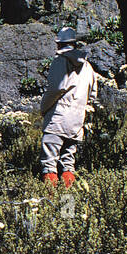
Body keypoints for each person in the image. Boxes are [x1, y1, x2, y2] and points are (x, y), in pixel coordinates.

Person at [39, 27, 99, 189]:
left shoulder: (60, 61)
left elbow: (55, 89)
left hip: (57, 119)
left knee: (49, 163)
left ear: (59, 44)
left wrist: (44, 108)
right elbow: (92, 95)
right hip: (76, 121)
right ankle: (68, 209)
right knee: (68, 163)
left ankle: (50, 207)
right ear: (74, 43)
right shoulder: (88, 66)